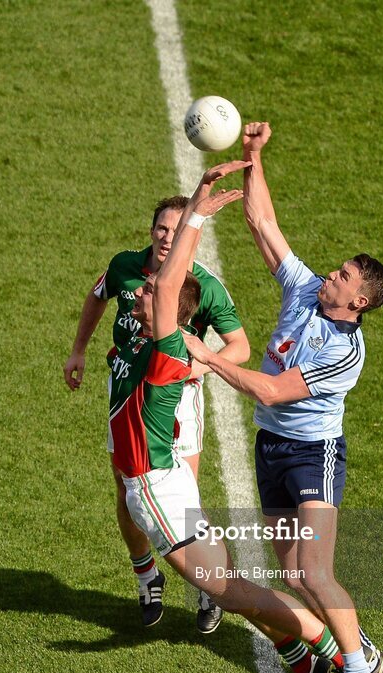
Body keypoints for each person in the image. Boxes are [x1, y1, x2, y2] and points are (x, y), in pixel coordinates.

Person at [182, 122, 383, 673]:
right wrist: (253, 158)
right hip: (270, 447)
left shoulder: (344, 350)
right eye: (336, 268)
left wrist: (208, 354)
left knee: (317, 572)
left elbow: (273, 390)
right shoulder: (305, 292)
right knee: (295, 579)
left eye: (343, 276)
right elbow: (263, 224)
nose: (330, 273)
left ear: (357, 302)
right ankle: (371, 656)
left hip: (312, 456)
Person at [113, 160, 344, 673]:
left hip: (157, 492)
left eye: (148, 295)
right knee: (235, 590)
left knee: (230, 590)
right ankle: (302, 658)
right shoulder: (135, 340)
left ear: (170, 312)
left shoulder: (167, 352)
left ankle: (338, 650)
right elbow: (162, 286)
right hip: (164, 482)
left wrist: (196, 212)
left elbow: (171, 280)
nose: (141, 295)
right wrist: (194, 204)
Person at [64, 192, 250, 633]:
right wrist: (78, 351)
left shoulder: (204, 287)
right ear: (151, 231)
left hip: (175, 398)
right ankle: (147, 575)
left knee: (185, 502)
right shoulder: (126, 266)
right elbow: (96, 297)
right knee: (128, 493)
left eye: (176, 229)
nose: (167, 237)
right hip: (127, 390)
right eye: (161, 228)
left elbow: (240, 346)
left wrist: (193, 366)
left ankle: (210, 585)